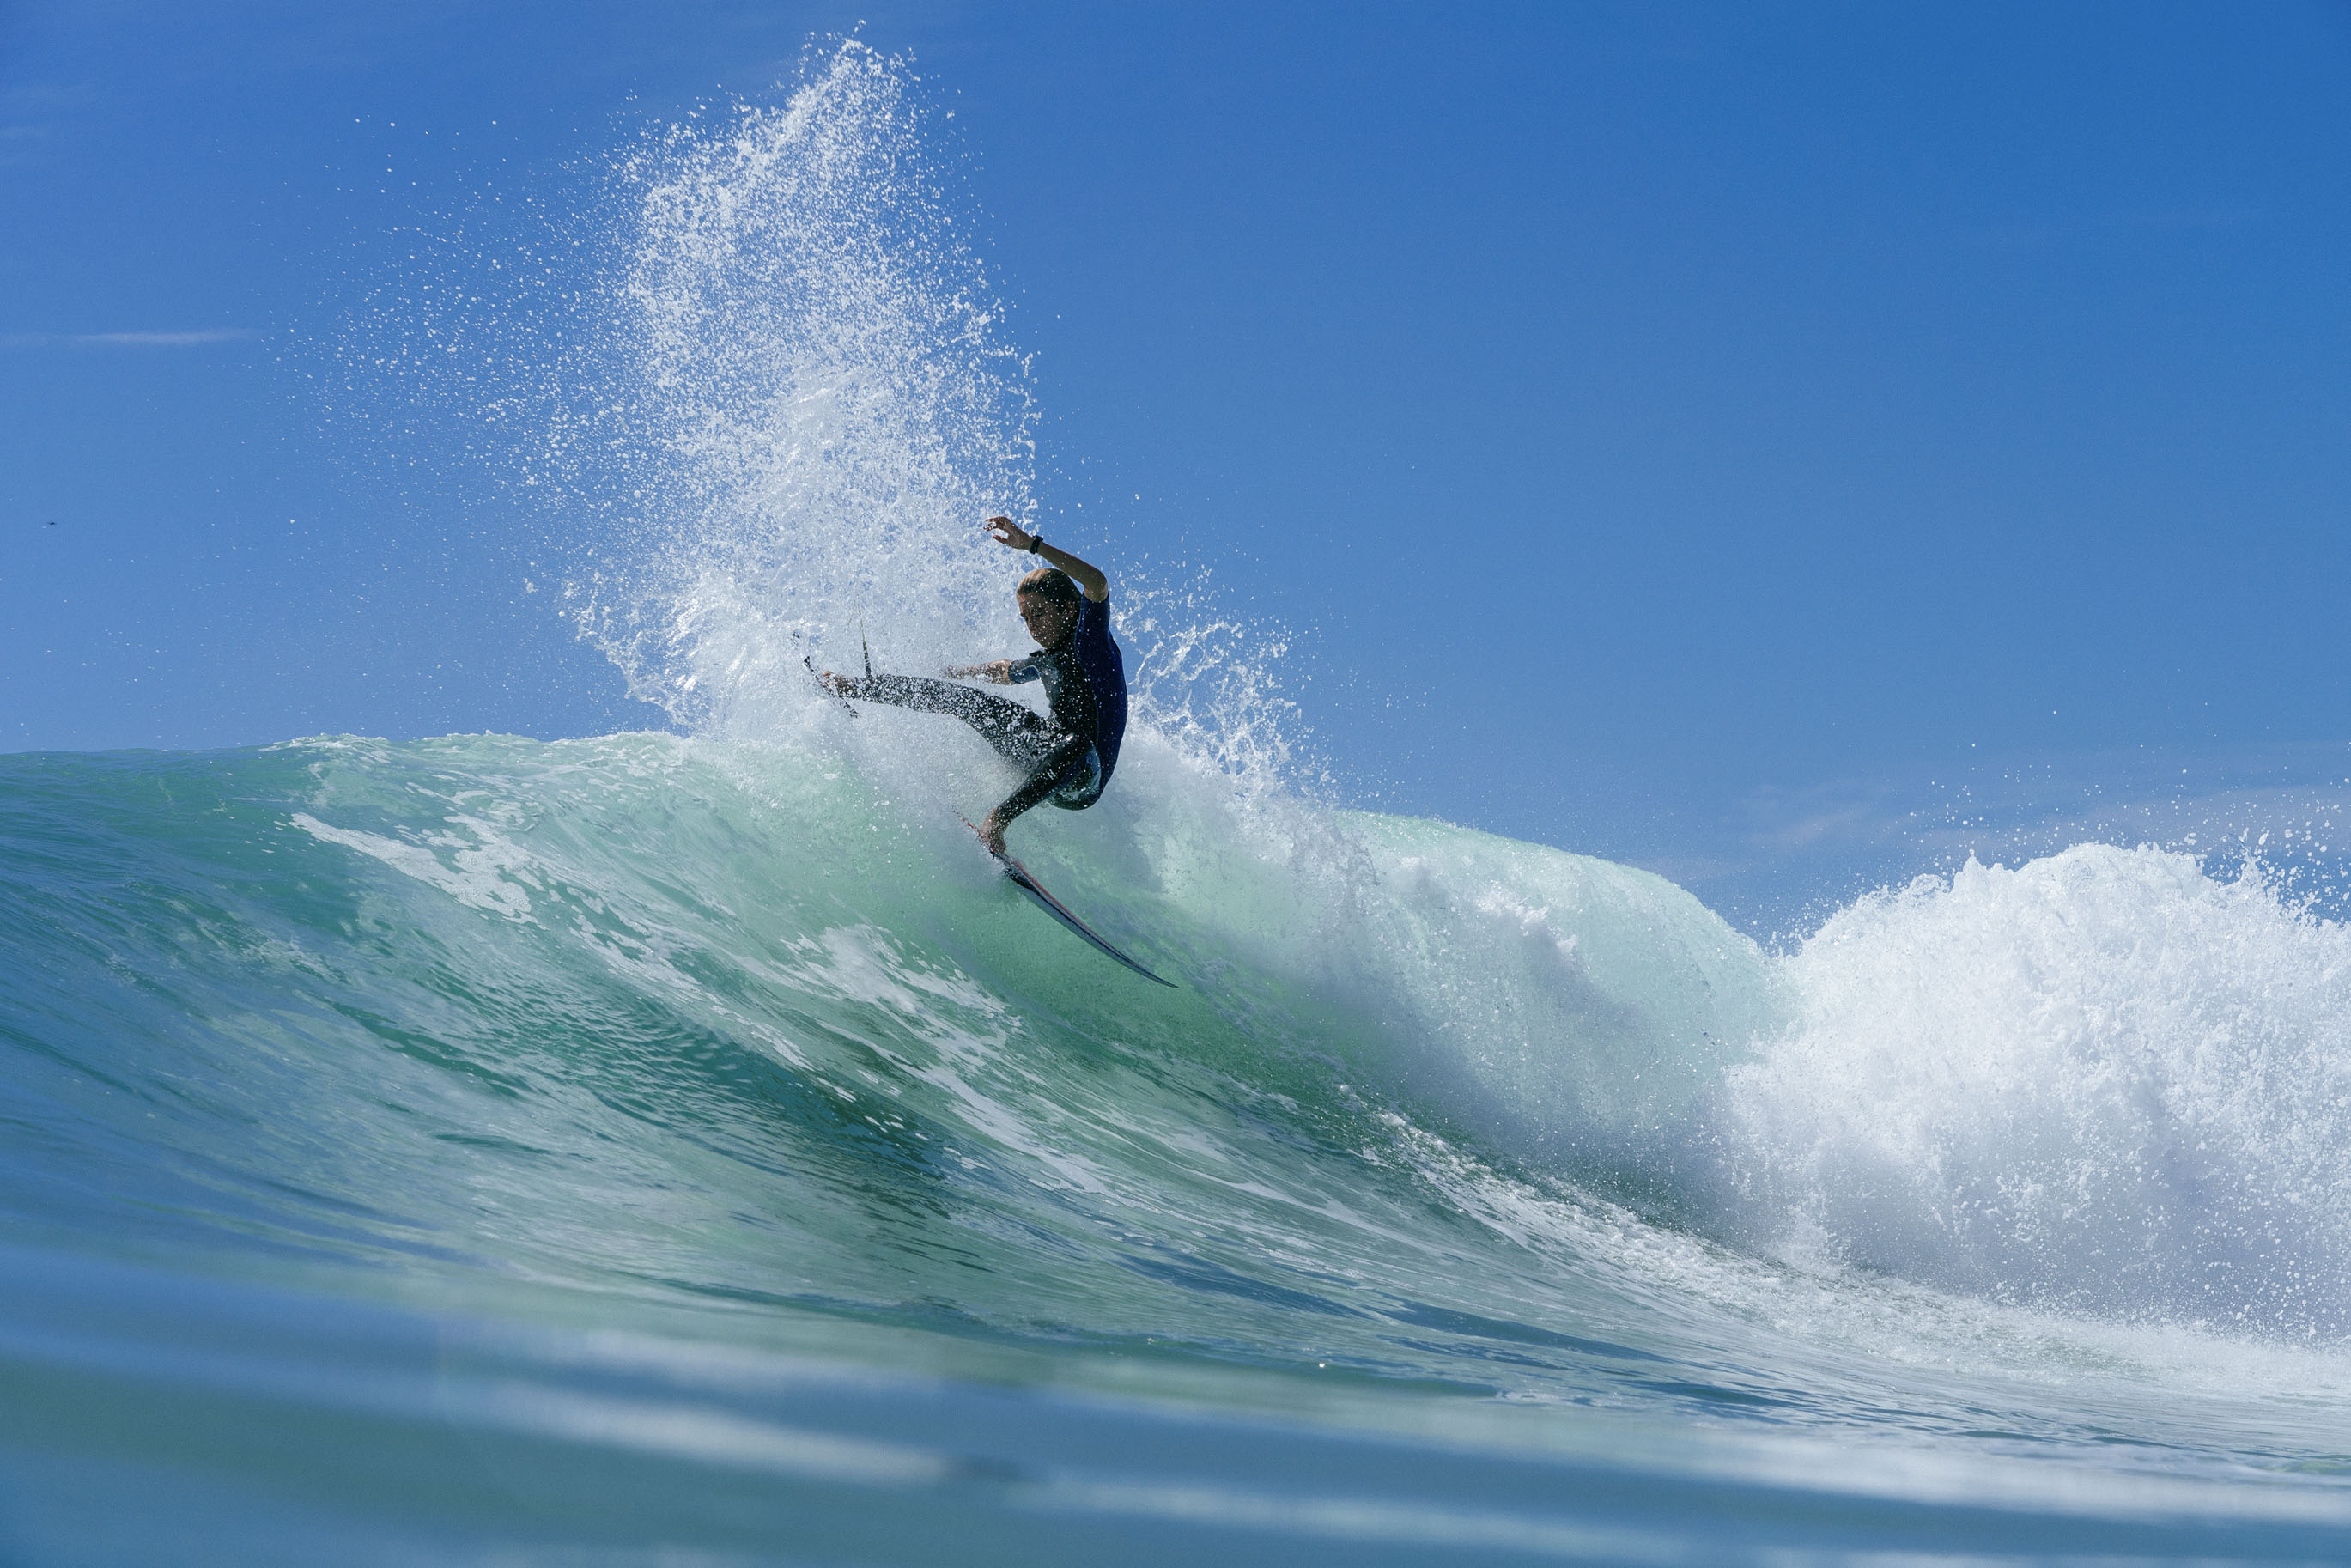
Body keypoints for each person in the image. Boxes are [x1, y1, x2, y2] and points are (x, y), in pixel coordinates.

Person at [821, 516, 1127, 857]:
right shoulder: (1046, 660)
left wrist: (1032, 546)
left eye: (1038, 614)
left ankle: (998, 819)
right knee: (966, 701)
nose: (1032, 627)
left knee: (1076, 745)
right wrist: (956, 673)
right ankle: (853, 687)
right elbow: (1004, 671)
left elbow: (1097, 583)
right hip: (1046, 754)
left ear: (1069, 609)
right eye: (1025, 618)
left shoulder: (1091, 641)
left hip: (1082, 777)